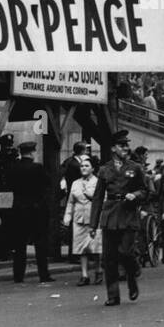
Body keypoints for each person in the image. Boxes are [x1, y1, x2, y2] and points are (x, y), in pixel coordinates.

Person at [89, 131, 147, 306]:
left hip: (128, 214)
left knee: (126, 252)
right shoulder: (104, 170)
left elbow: (145, 191)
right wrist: (93, 224)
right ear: (113, 148)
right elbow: (98, 197)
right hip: (110, 216)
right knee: (109, 258)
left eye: (127, 145)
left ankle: (132, 275)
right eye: (122, 146)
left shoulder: (135, 168)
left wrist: (135, 195)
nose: (126, 149)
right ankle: (113, 295)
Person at [9, 140, 54, 284]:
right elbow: (48, 184)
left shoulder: (13, 168)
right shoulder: (38, 168)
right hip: (37, 209)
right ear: (33, 152)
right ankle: (43, 274)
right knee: (40, 243)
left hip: (19, 209)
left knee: (19, 244)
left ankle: (18, 275)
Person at [63, 153, 101, 286]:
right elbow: (70, 202)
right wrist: (67, 217)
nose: (83, 168)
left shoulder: (98, 182)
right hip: (79, 219)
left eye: (87, 166)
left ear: (93, 168)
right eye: (82, 166)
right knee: (81, 249)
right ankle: (84, 275)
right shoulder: (75, 183)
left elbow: (103, 200)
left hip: (94, 219)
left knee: (95, 247)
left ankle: (98, 270)